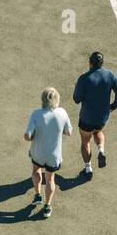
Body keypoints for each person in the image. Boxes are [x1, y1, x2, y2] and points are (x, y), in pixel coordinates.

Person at [72, 51, 117, 178]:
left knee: (85, 141)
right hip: (102, 118)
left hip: (86, 119)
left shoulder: (84, 78)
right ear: (102, 63)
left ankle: (88, 169)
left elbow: (76, 99)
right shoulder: (110, 75)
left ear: (90, 63)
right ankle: (101, 150)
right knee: (97, 132)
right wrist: (113, 106)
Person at [24, 87, 72, 218]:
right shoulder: (62, 113)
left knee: (36, 170)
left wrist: (34, 136)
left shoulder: (36, 114)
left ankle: (37, 195)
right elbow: (69, 132)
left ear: (43, 99)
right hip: (54, 155)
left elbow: (27, 136)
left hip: (37, 153)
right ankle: (47, 206)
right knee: (50, 179)